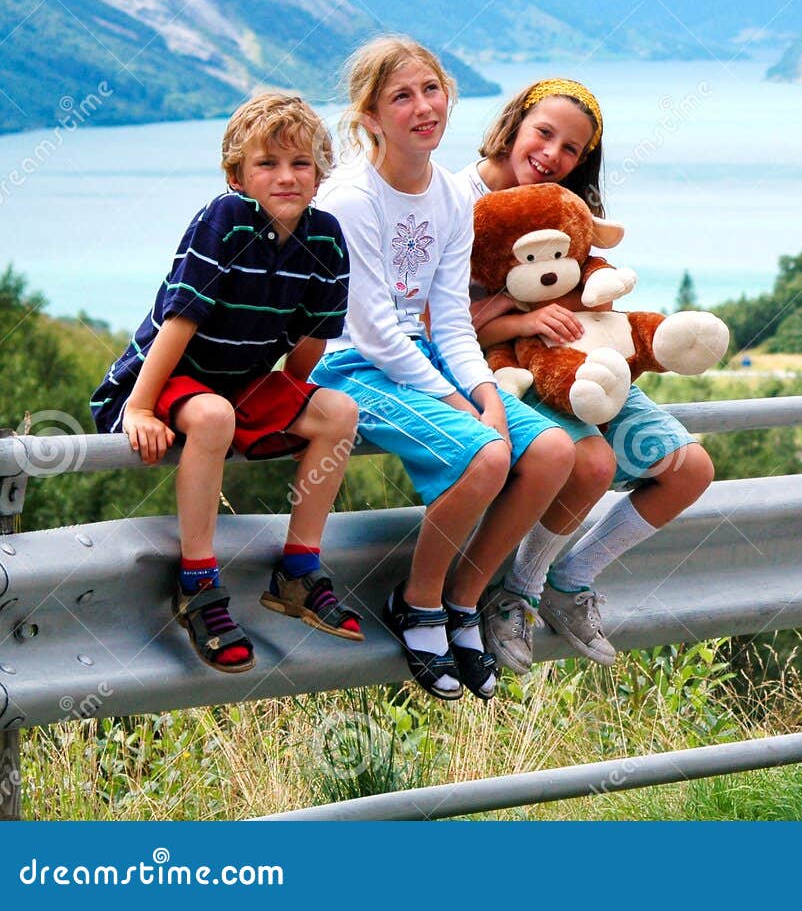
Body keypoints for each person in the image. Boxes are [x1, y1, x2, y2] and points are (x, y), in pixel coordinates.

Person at [309, 37, 576, 702]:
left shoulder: (453, 195)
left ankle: (465, 599)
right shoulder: (350, 198)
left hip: (423, 357)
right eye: (401, 96)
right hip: (351, 365)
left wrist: (485, 393)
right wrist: (464, 410)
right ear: (371, 117)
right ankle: (417, 603)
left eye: (431, 89)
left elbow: (451, 320)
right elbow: (375, 330)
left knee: (551, 451)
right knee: (486, 454)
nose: (424, 107)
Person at [90, 93, 362, 674]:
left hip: (241, 386)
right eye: (267, 164)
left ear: (320, 174)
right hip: (165, 376)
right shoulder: (225, 219)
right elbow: (180, 320)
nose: (286, 177)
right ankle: (197, 584)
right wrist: (139, 408)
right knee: (213, 416)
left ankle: (297, 571)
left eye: (301, 163)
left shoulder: (327, 237)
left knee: (338, 412)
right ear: (237, 176)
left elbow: (308, 344)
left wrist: (285, 415)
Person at [463, 78, 715, 669]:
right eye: (544, 133)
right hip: (504, 370)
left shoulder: (567, 210)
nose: (552, 154)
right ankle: (517, 593)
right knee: (593, 464)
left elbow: (591, 296)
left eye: (571, 149)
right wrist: (518, 318)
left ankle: (570, 581)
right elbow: (440, 327)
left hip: (577, 362)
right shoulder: (457, 201)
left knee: (690, 470)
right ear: (515, 124)